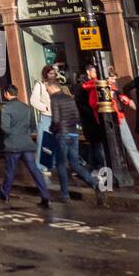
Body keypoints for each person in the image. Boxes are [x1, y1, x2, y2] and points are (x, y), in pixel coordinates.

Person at [83, 73, 139, 193]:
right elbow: (93, 104)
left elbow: (121, 97)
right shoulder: (96, 88)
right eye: (111, 78)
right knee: (108, 151)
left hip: (120, 119)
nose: (113, 81)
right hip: (108, 122)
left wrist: (127, 101)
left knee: (130, 148)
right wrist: (106, 97)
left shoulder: (113, 88)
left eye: (114, 79)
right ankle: (108, 180)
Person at [48, 75, 103, 203]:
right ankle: (94, 184)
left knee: (61, 165)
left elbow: (55, 120)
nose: (47, 90)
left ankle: (65, 195)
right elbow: (77, 116)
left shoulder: (54, 99)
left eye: (47, 88)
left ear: (52, 87)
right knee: (75, 164)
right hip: (73, 134)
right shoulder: (69, 98)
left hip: (62, 134)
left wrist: (52, 129)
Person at [0, 83, 50, 208]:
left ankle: (4, 194)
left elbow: (5, 127)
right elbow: (33, 126)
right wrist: (24, 133)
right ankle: (45, 195)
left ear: (7, 94)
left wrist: (13, 133)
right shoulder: (27, 107)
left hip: (13, 144)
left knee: (10, 170)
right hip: (26, 143)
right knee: (34, 170)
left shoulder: (6, 108)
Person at [30, 66, 54, 175]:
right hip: (46, 117)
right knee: (44, 141)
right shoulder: (40, 85)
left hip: (57, 116)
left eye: (54, 73)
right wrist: (45, 108)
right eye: (50, 73)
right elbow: (33, 100)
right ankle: (41, 166)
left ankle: (53, 163)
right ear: (45, 74)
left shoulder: (56, 85)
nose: (52, 75)